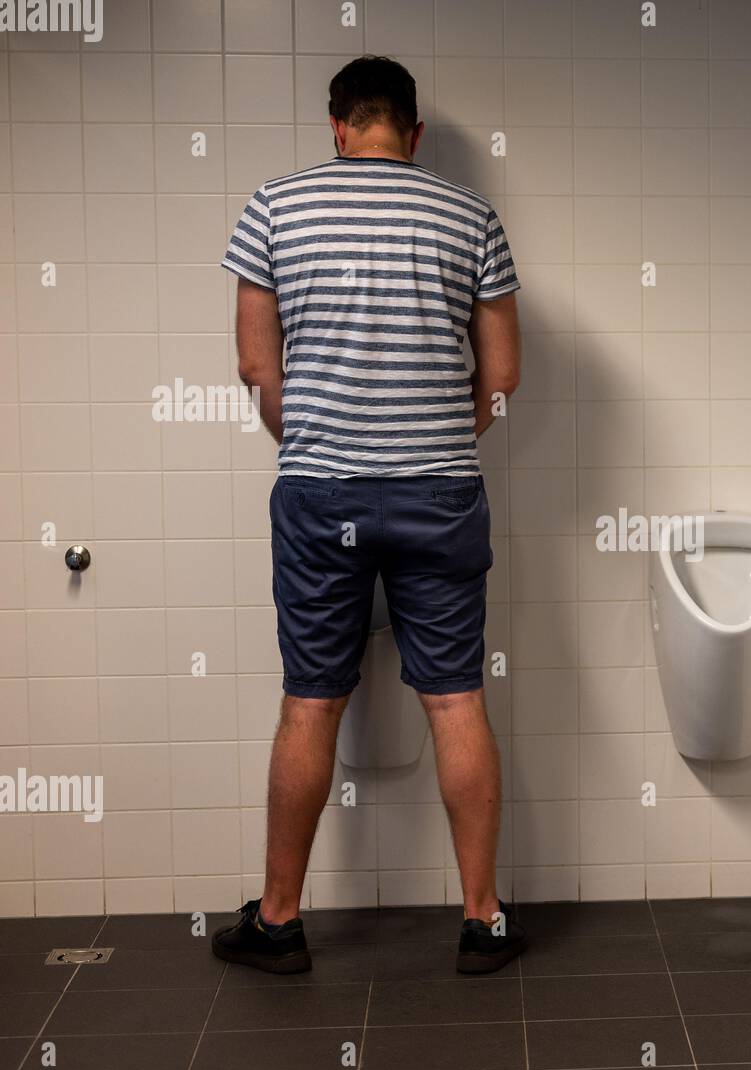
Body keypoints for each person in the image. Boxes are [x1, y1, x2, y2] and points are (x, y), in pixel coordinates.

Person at [211, 55, 524, 975]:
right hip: (440, 493)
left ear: (339, 128)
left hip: (320, 494)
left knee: (311, 700)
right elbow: (501, 379)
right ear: (414, 133)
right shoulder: (471, 215)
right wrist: (438, 440)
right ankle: (482, 920)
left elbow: (256, 371)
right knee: (456, 694)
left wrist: (313, 441)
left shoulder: (275, 205)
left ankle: (278, 924)